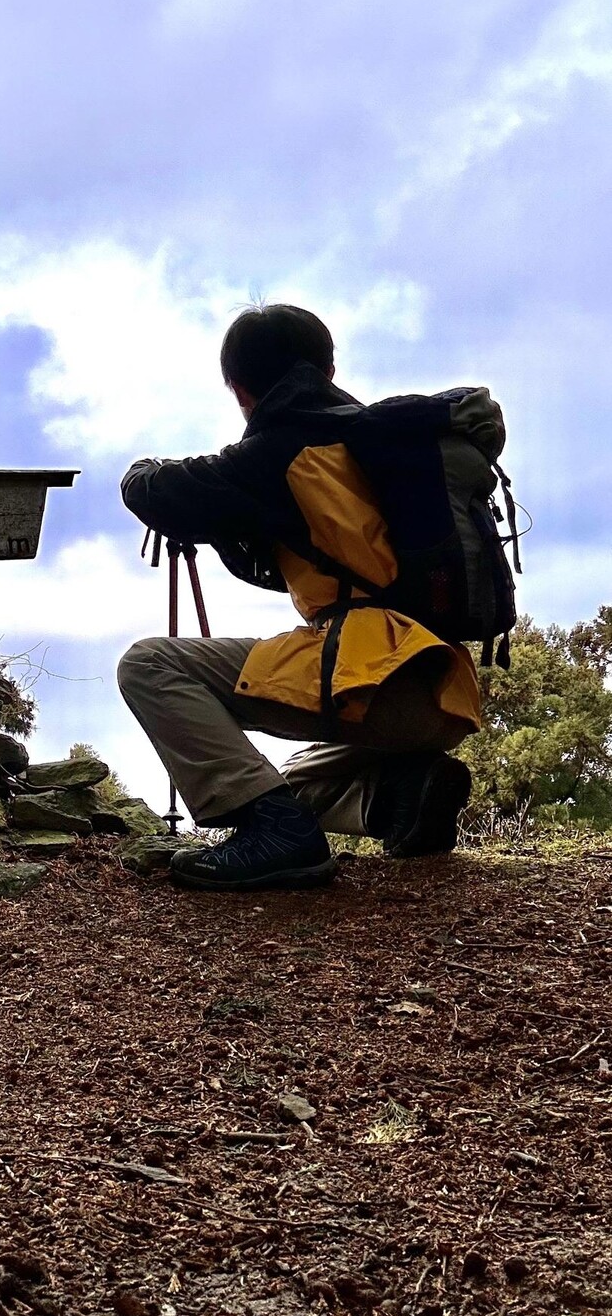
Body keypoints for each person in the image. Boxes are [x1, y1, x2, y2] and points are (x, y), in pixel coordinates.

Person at [118, 304, 482, 891]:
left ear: (237, 387)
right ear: (329, 366)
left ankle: (279, 839)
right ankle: (403, 795)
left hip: (368, 676)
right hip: (443, 691)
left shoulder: (281, 445)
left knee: (149, 664)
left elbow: (165, 494)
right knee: (293, 785)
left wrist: (139, 471)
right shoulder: (377, 441)